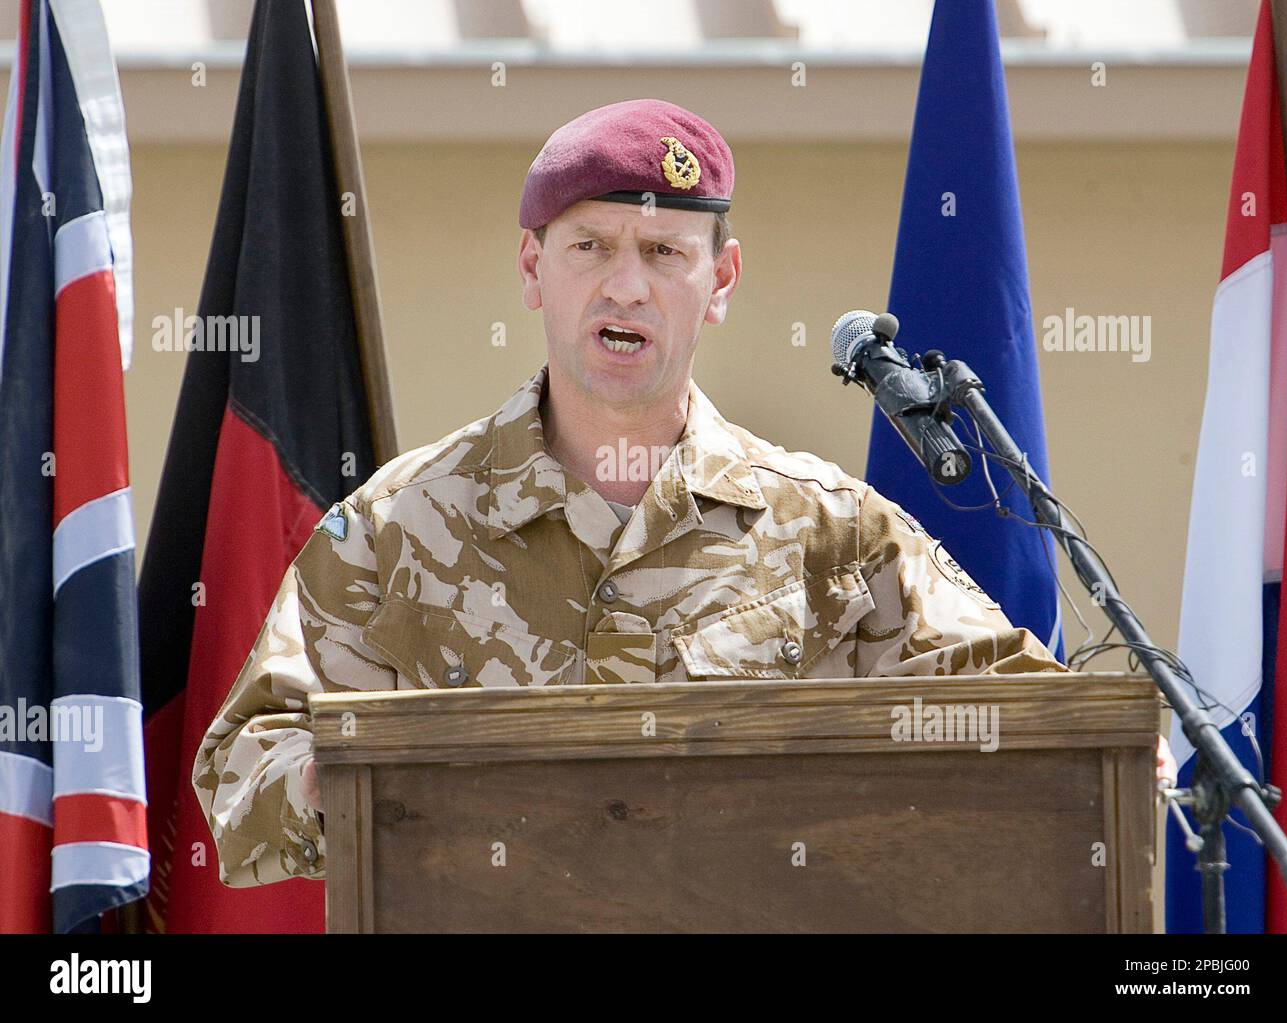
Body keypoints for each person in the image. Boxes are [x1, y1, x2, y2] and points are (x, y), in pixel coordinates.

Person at [193, 98, 1168, 889]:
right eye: (591, 248)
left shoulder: (830, 532)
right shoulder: (392, 528)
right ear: (534, 267)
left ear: (721, 278)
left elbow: (1017, 713)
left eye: (664, 254)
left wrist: (1121, 761)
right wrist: (366, 779)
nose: (625, 287)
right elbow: (241, 765)